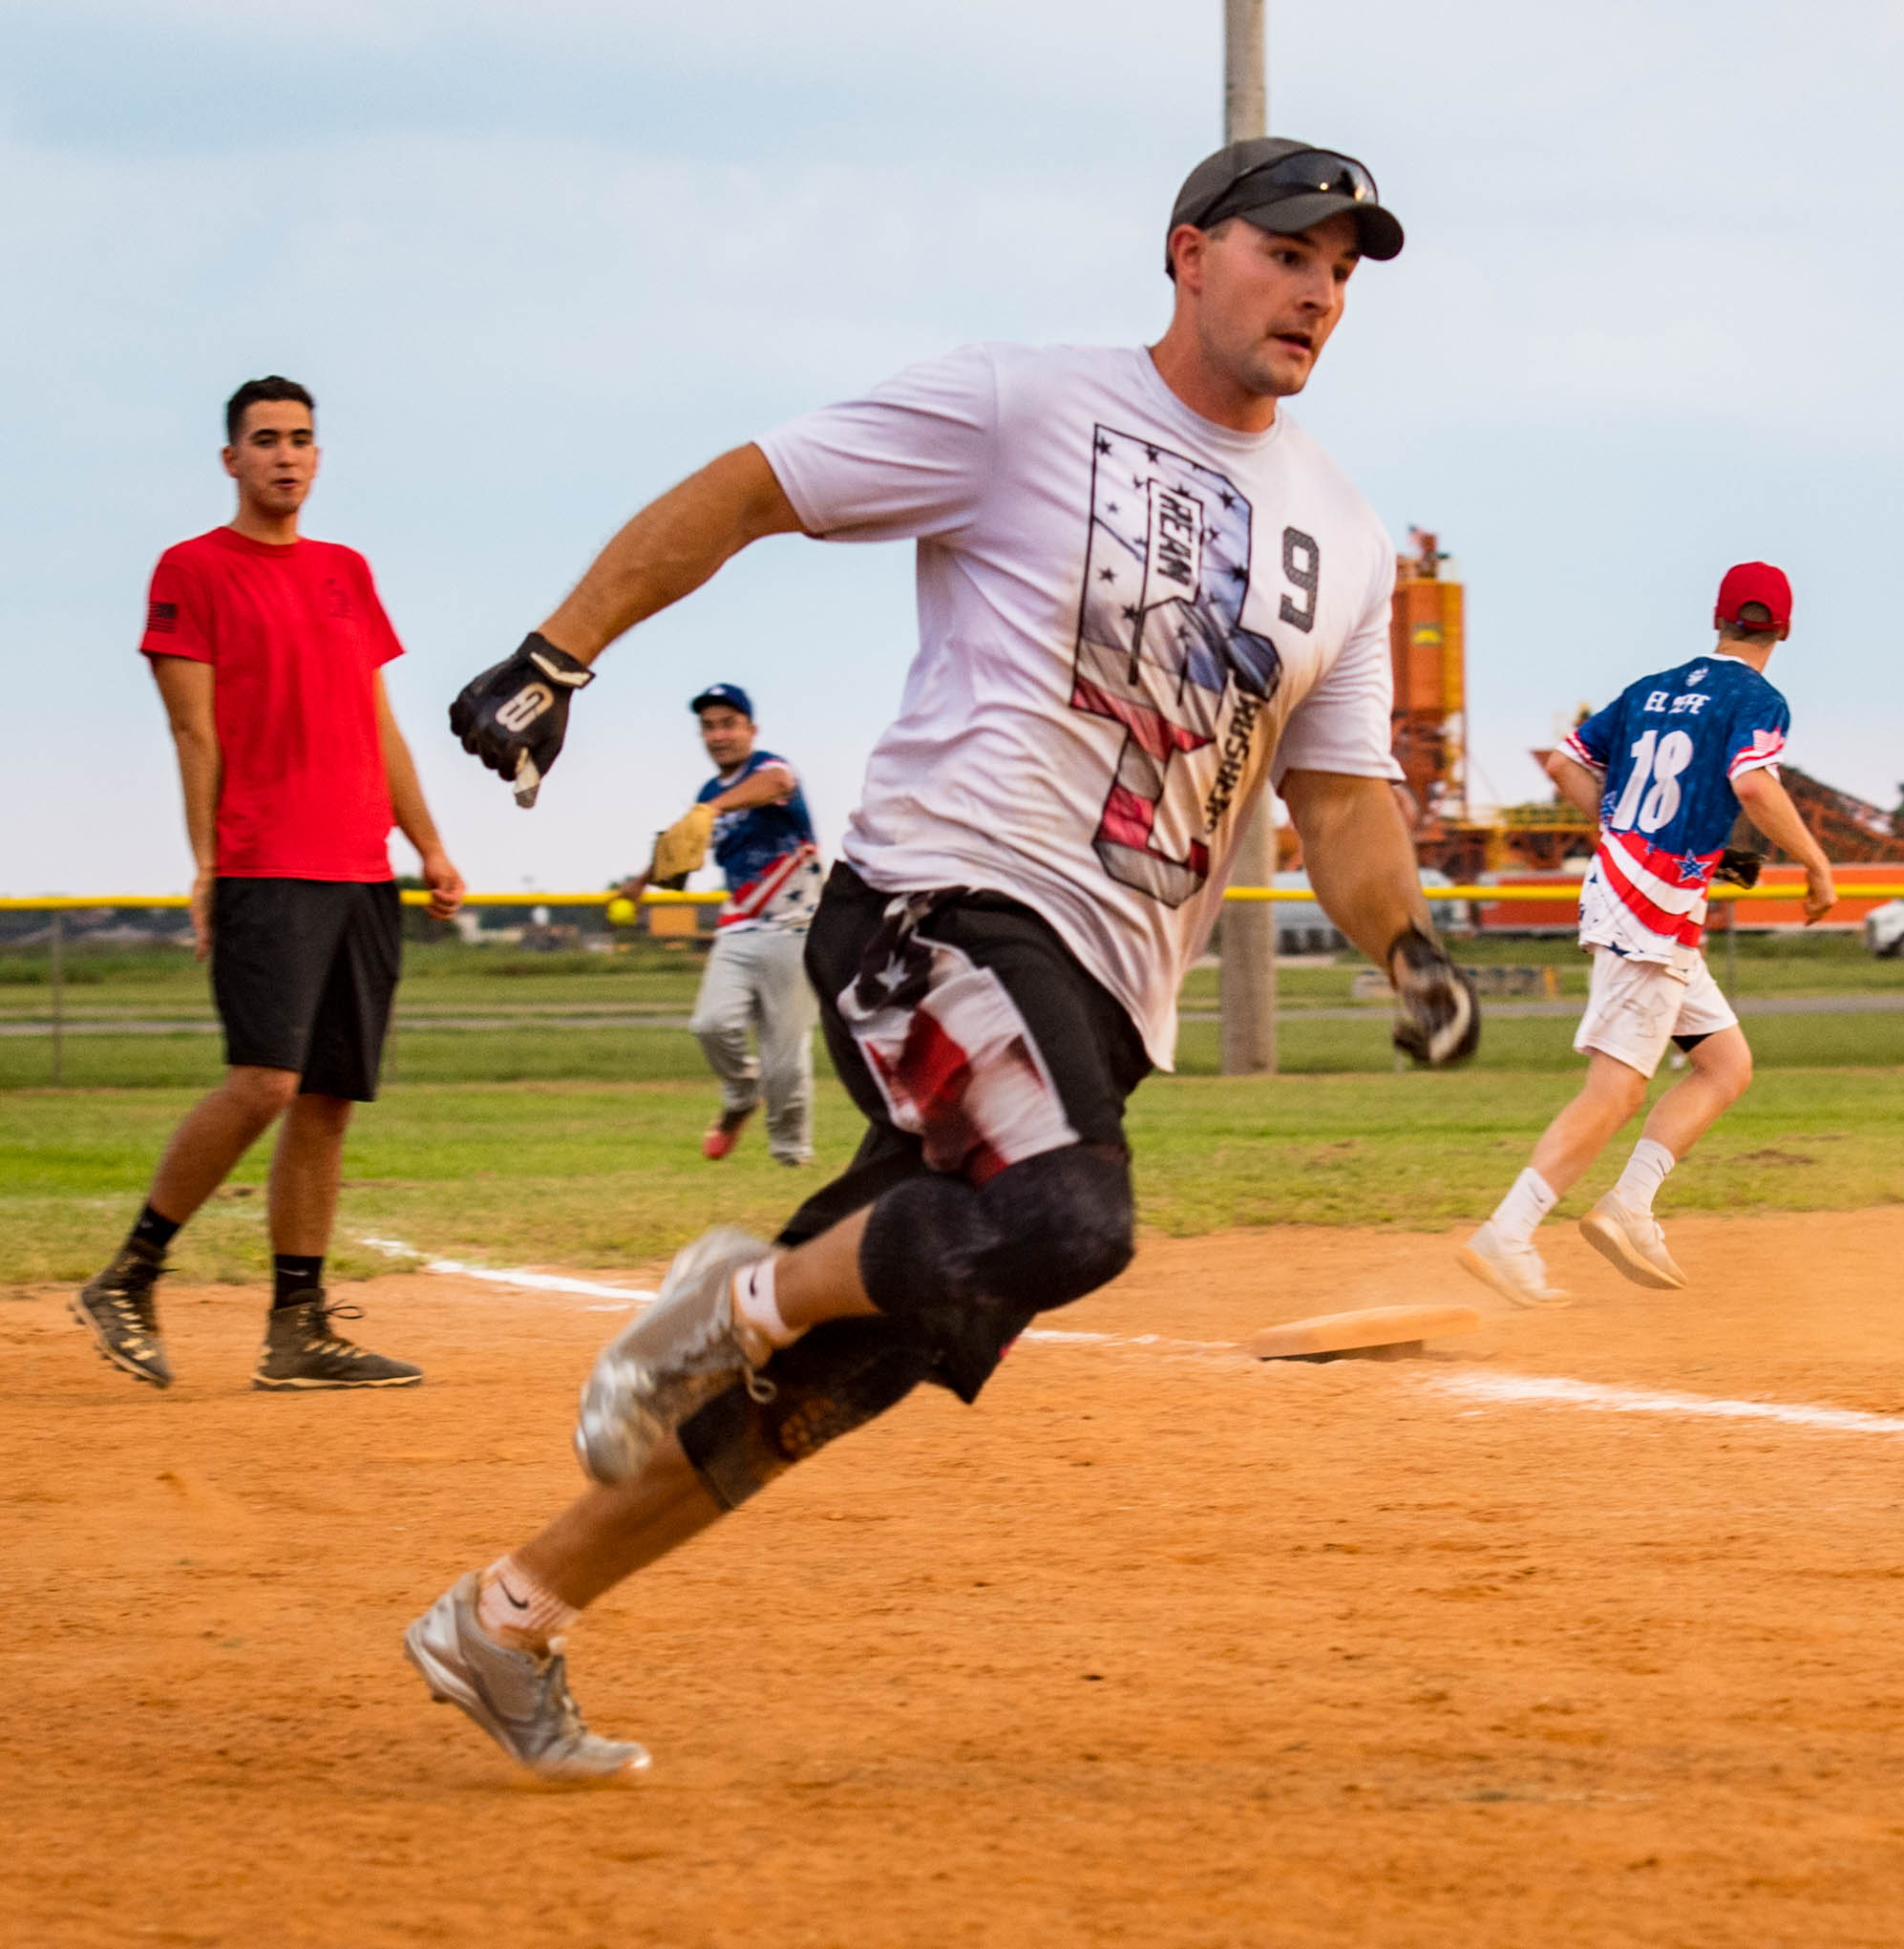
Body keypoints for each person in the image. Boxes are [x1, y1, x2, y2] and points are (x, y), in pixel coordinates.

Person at [407, 138, 1480, 1779]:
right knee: (1067, 1215)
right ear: (1188, 254)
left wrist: (1404, 943)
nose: (1319, 290)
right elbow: (758, 485)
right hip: (940, 908)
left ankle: (510, 1615)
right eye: (1287, 251)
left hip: (1103, 1000)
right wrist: (563, 653)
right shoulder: (1022, 404)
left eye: (1344, 267)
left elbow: (1338, 796)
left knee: (856, 1361)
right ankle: (727, 1298)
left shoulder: (1338, 527)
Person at [73, 375, 465, 1391]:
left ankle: (299, 1328)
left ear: (318, 456)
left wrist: (428, 842)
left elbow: (377, 722)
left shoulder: (346, 571)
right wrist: (207, 863)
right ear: (230, 459)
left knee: (328, 1098)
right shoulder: (191, 570)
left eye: (301, 439)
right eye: (264, 440)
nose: (285, 455)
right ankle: (130, 1274)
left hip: (359, 868)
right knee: (265, 1080)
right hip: (266, 859)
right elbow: (190, 729)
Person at [1456, 562, 1836, 1308]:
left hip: (1636, 896)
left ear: (1717, 619)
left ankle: (1629, 1205)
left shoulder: (1650, 688)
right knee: (1616, 1088)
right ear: (1783, 629)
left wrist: (1630, 827)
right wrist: (1817, 863)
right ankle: (1508, 1230)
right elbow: (1754, 784)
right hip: (1652, 910)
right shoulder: (1758, 697)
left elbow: (1567, 764)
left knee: (1724, 1065)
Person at [618, 683, 821, 1166]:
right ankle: (740, 1095)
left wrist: (711, 809)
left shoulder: (771, 770)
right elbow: (684, 850)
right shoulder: (706, 795)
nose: (718, 735)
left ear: (751, 730)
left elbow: (775, 786)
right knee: (711, 1024)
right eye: (708, 727)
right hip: (740, 927)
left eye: (729, 724)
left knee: (785, 1062)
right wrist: (641, 882)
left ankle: (791, 1155)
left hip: (795, 932)